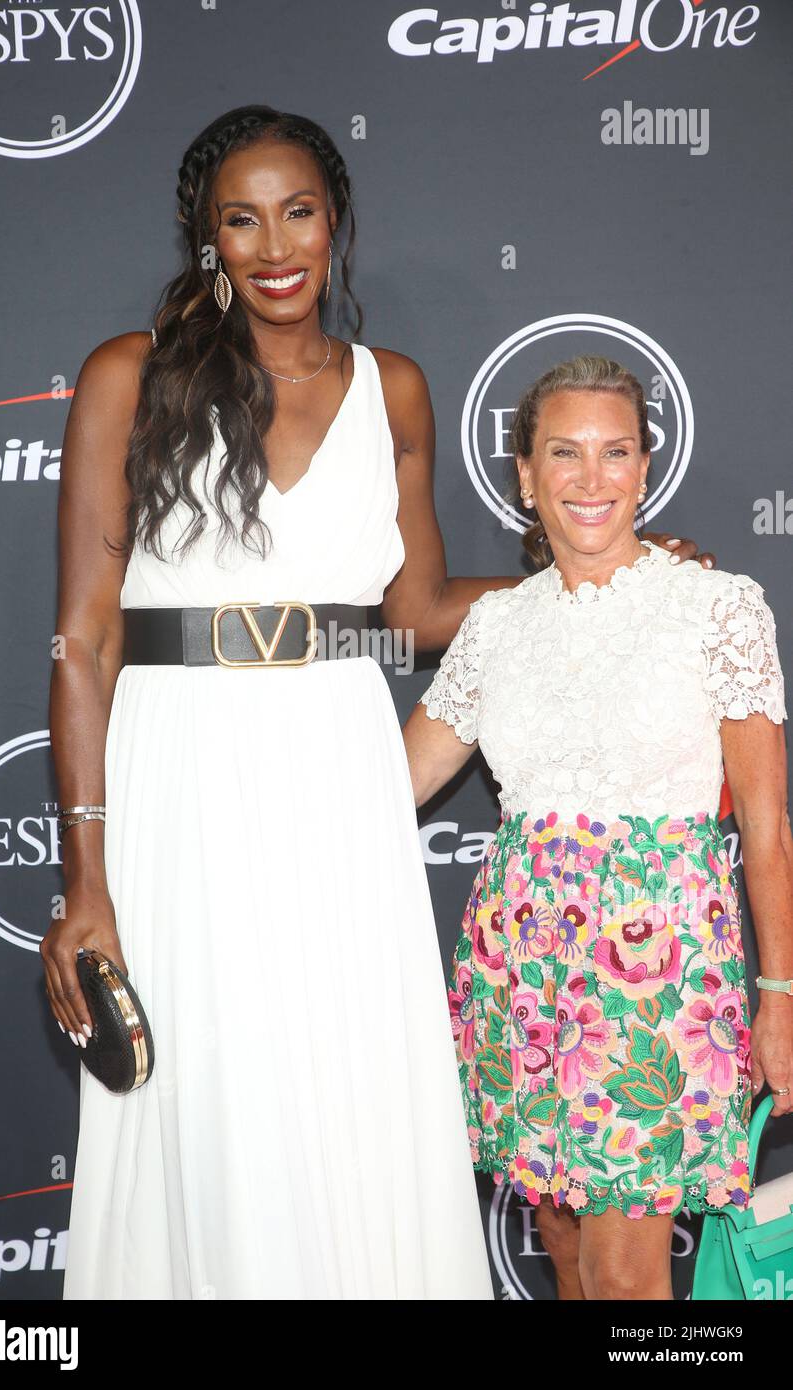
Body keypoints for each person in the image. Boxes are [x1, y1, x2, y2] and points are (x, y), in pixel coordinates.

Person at [41, 105, 709, 1300]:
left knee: (336, 1073)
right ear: (207, 239)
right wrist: (85, 881)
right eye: (239, 219)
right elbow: (84, 641)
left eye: (297, 210)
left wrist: (609, 562)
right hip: (181, 766)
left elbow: (417, 605)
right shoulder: (126, 377)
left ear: (334, 222)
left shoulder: (390, 388)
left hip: (336, 761)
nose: (274, 243)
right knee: (209, 1087)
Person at [402, 355, 793, 1302]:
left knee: (626, 1283)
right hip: (526, 977)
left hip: (660, 983)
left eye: (615, 453)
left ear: (646, 469)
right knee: (568, 1258)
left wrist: (779, 996)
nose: (590, 479)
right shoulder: (495, 628)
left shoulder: (717, 607)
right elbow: (389, 787)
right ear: (525, 477)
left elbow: (771, 832)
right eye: (563, 454)